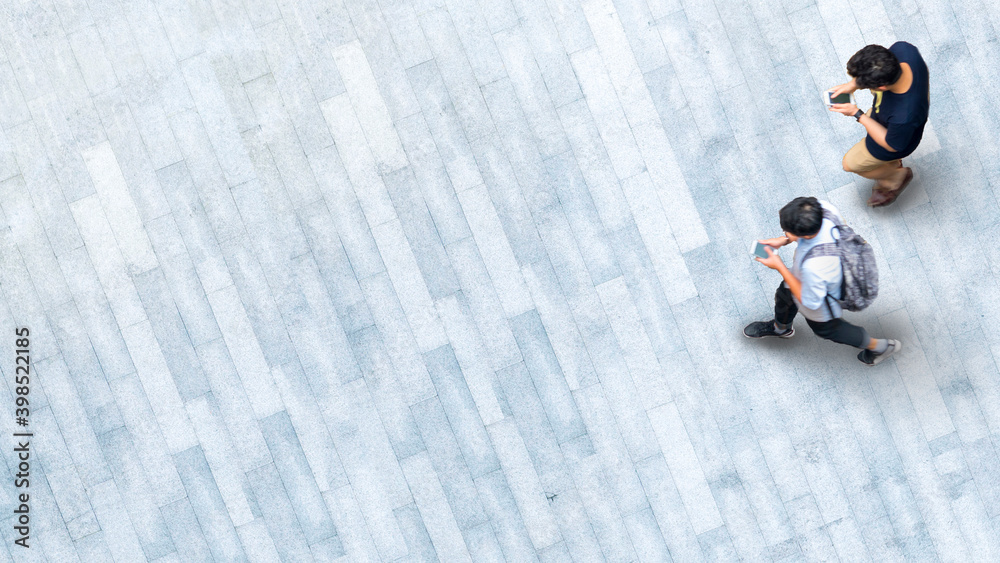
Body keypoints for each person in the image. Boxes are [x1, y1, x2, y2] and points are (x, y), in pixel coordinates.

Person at [744, 197, 901, 365]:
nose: (784, 233)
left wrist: (779, 266)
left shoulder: (816, 267)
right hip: (812, 275)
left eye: (786, 231)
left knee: (829, 330)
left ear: (804, 234)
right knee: (785, 295)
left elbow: (809, 301)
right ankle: (780, 329)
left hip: (820, 299)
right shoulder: (823, 209)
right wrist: (785, 240)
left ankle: (880, 347)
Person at [829, 43, 929, 207]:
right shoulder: (903, 50)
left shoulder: (904, 115)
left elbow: (891, 144)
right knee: (872, 116)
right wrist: (853, 85)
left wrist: (857, 114)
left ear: (881, 87)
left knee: (850, 164)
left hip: (894, 141)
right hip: (892, 122)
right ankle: (893, 166)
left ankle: (895, 177)